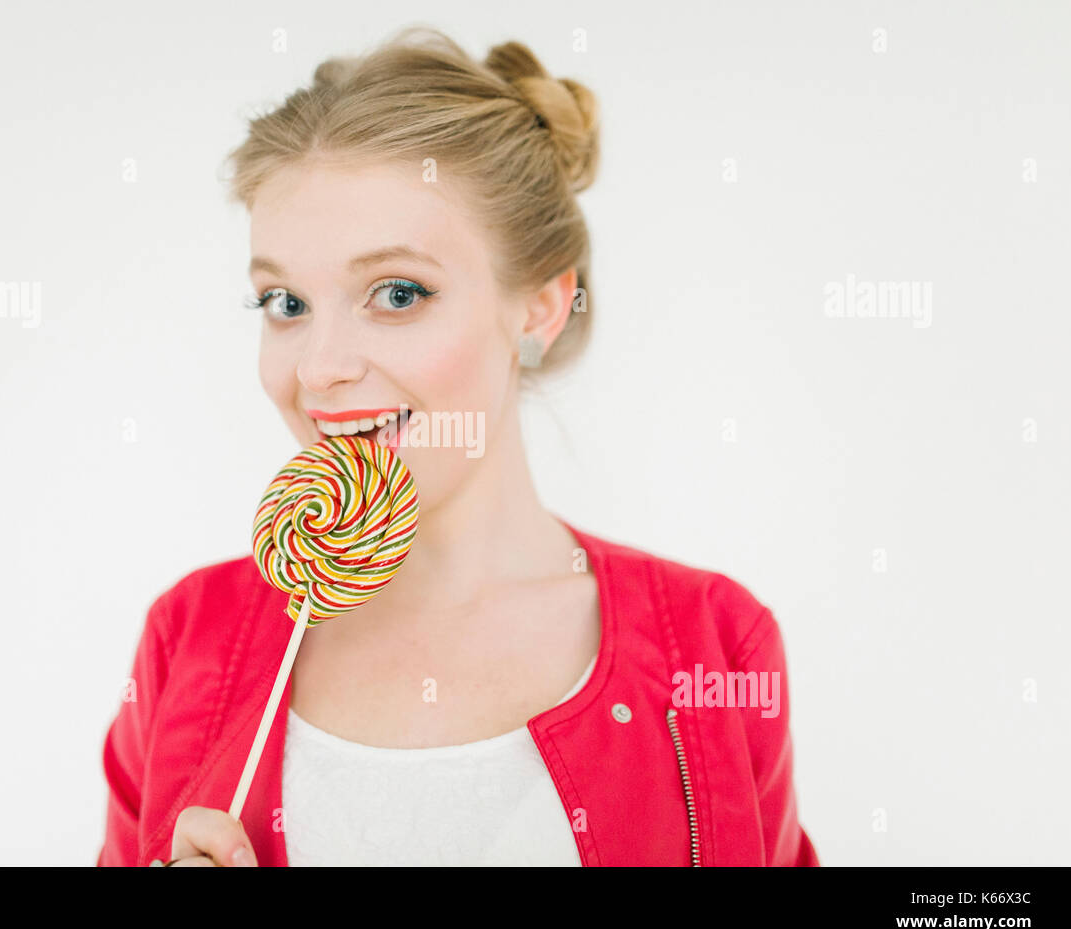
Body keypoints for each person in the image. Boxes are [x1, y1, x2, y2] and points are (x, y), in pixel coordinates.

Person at [97, 25, 818, 867]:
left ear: (542, 308)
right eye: (285, 302)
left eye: (397, 293)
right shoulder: (188, 640)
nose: (321, 368)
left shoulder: (717, 643)